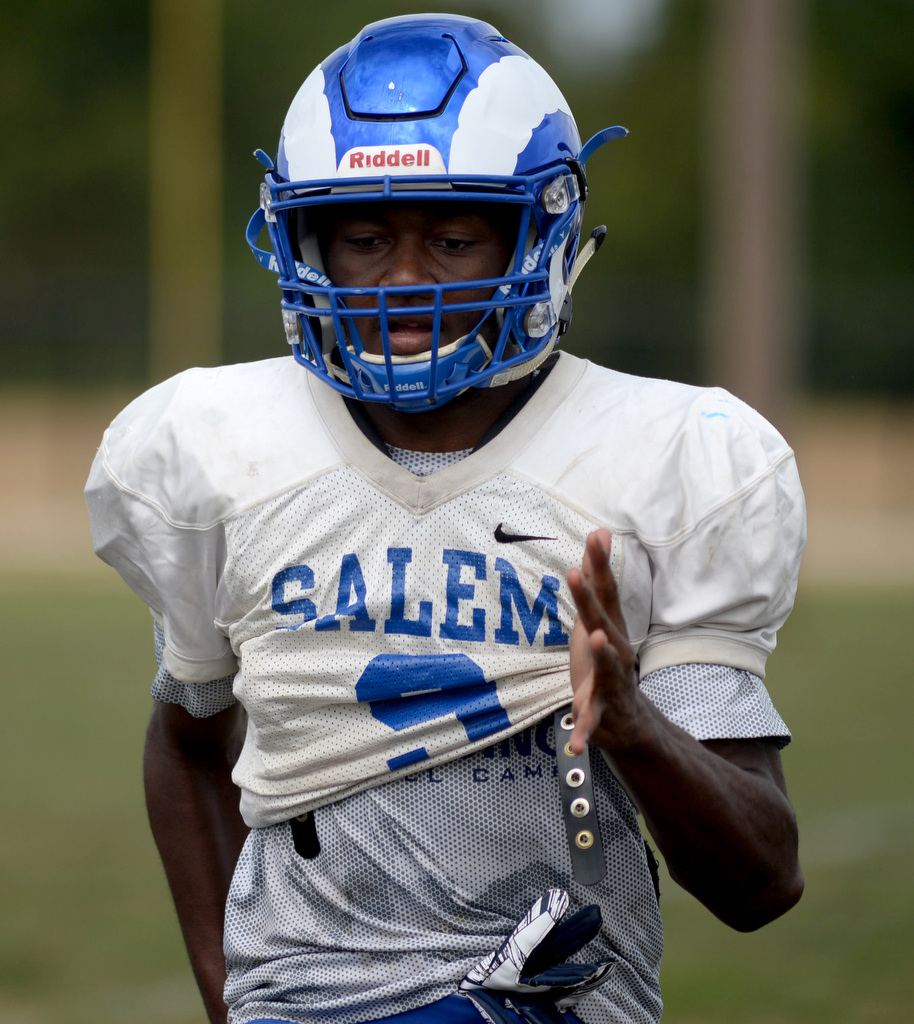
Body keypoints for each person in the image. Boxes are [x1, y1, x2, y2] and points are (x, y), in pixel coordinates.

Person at [85, 13, 806, 1024]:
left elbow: (761, 882)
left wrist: (635, 728)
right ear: (304, 243)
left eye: (454, 239)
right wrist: (232, 1001)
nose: (404, 281)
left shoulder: (667, 458)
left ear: (542, 233)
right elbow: (189, 746)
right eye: (365, 239)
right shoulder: (218, 448)